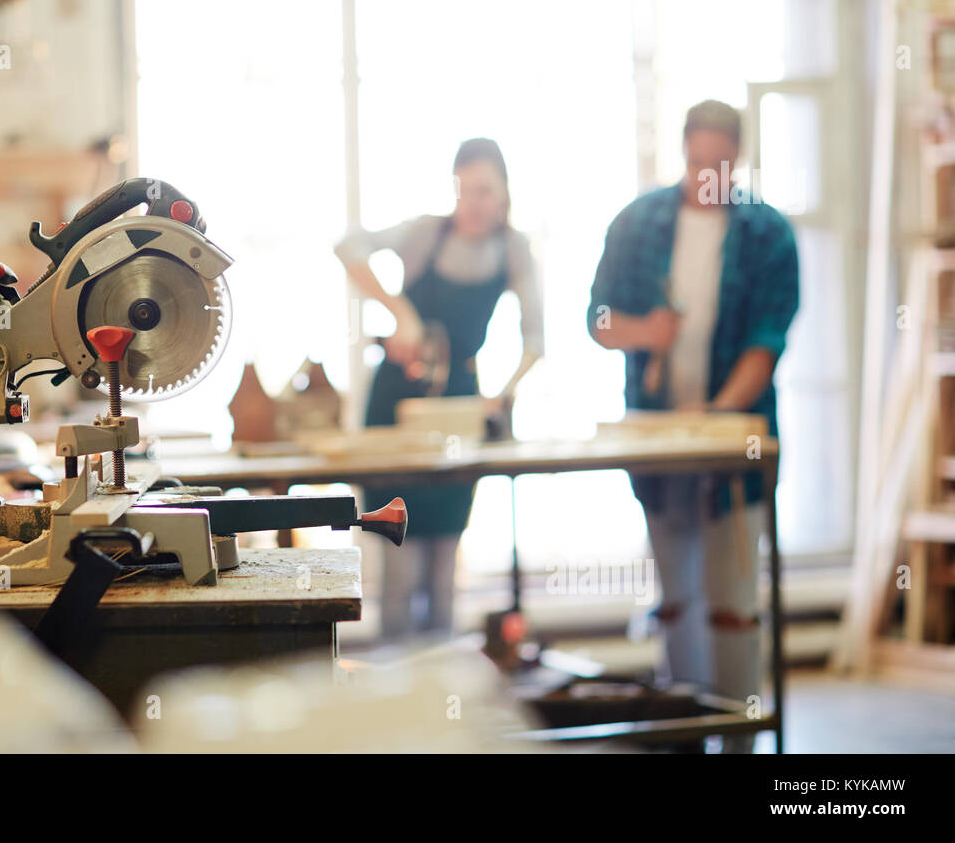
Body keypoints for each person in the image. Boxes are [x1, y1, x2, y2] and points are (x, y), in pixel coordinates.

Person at [586, 99, 799, 749]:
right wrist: (642, 331)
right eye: (697, 162)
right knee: (675, 595)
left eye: (721, 164)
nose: (707, 175)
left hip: (735, 446)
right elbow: (596, 321)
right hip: (658, 445)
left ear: (740, 158)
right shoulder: (637, 223)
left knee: (733, 600)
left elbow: (765, 343)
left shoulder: (769, 235)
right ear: (683, 153)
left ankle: (739, 735)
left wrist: (717, 414)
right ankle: (685, 731)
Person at [336, 138, 544, 639]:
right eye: (465, 190)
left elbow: (535, 340)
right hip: (396, 404)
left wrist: (503, 393)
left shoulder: (513, 250)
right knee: (399, 557)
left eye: (484, 191)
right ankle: (399, 696)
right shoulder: (426, 233)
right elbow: (348, 247)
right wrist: (400, 313)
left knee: (444, 559)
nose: (473, 203)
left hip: (458, 409)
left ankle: (442, 692)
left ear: (504, 192)